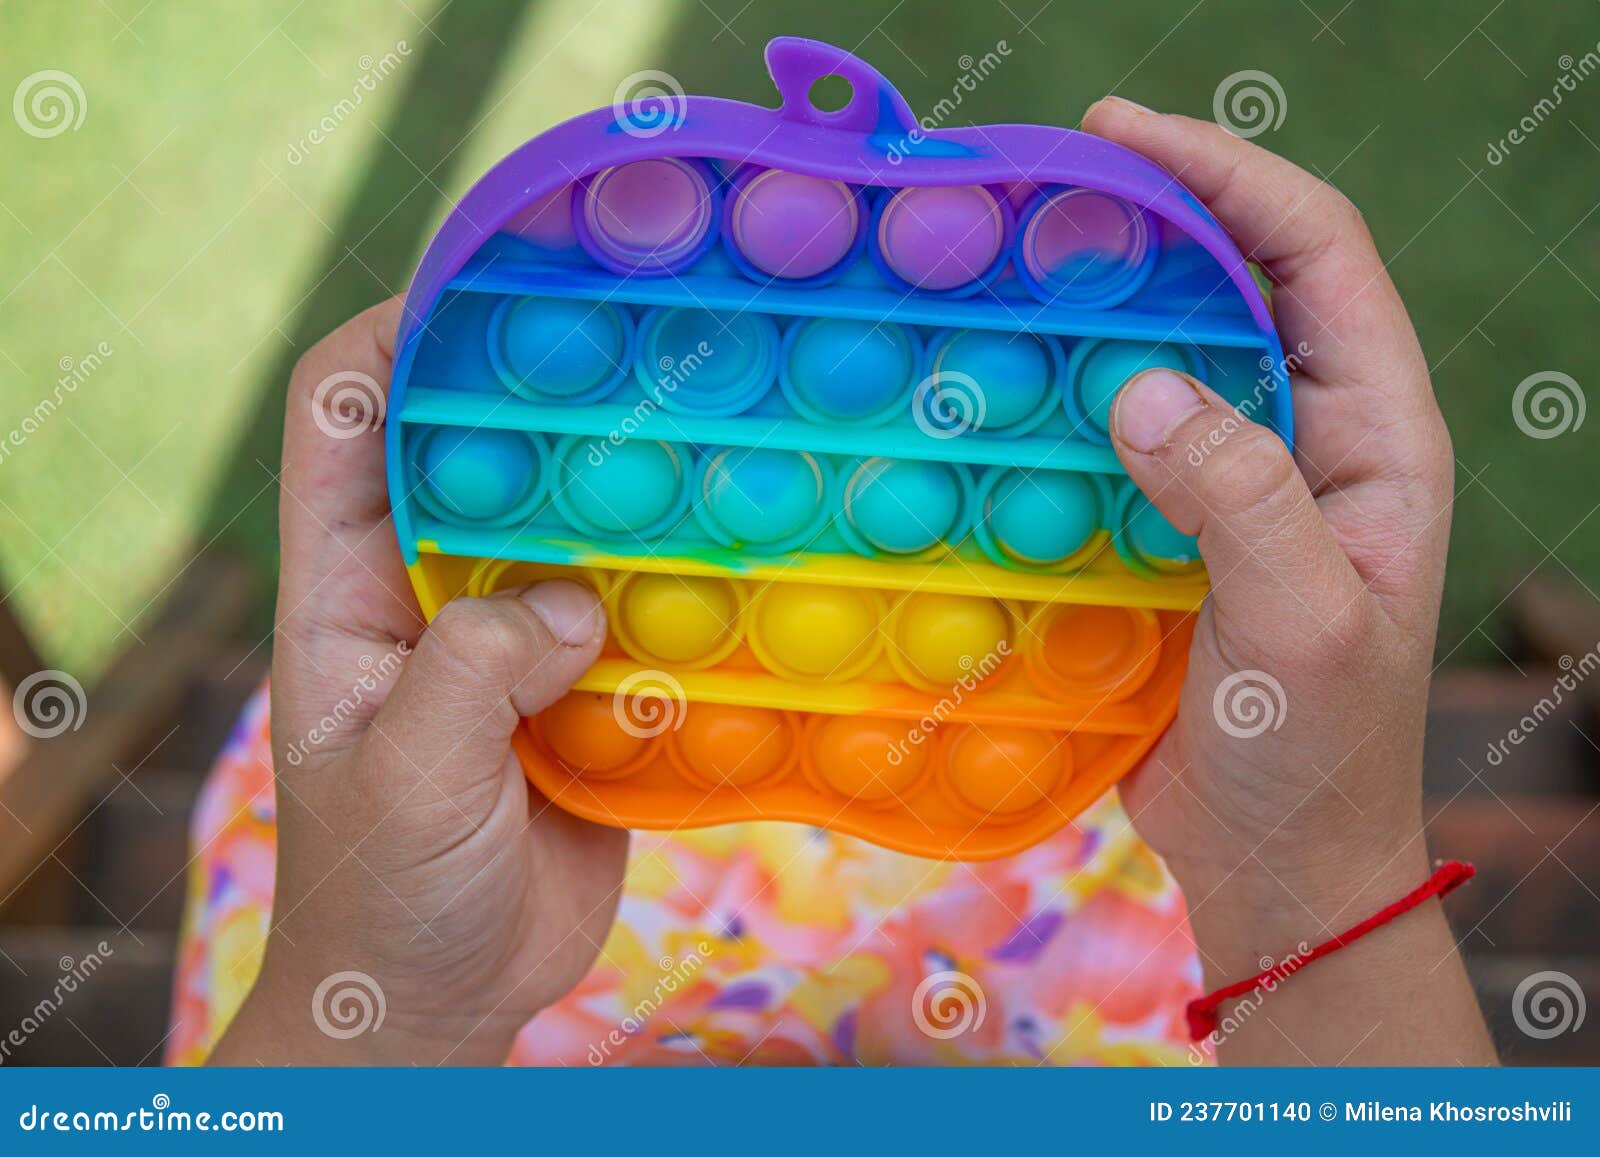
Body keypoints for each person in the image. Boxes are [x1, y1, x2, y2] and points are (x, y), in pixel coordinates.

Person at [185, 98, 1496, 1067]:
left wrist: (387, 997)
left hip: (598, 827)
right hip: (1015, 789)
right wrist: (1304, 879)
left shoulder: (414, 872)